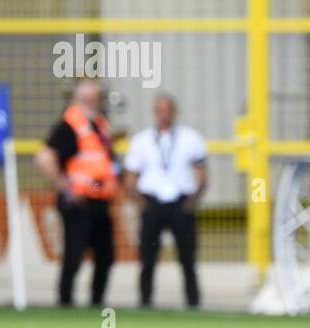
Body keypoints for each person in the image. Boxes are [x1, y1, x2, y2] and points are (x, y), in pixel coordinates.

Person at [36, 79, 119, 307]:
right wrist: (66, 187)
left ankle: (97, 302)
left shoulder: (100, 125)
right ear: (78, 99)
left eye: (96, 98)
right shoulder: (70, 125)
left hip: (101, 202)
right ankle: (65, 303)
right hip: (78, 203)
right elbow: (44, 158)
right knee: (74, 255)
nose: (95, 103)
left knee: (106, 256)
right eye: (90, 99)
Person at [124, 94, 207, 309]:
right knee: (148, 256)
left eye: (167, 110)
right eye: (159, 110)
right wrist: (137, 201)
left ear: (174, 112)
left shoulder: (190, 138)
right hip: (152, 203)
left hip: (181, 204)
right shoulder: (142, 140)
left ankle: (193, 302)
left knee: (187, 257)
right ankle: (145, 301)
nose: (163, 115)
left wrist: (194, 199)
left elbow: (202, 172)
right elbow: (131, 175)